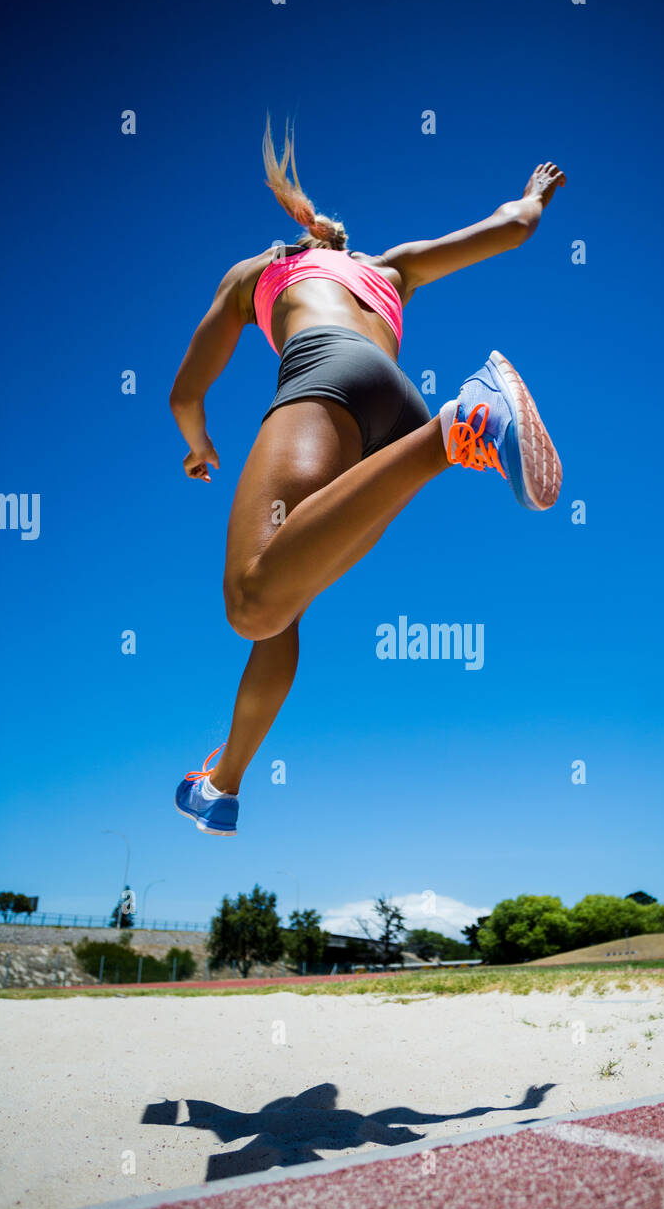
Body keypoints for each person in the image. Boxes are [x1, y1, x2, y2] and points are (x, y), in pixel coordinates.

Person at [172, 118, 565, 835]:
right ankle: (222, 785)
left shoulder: (259, 271)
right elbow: (513, 228)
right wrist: (533, 195)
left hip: (326, 376)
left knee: (251, 602)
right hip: (392, 404)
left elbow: (185, 393)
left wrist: (197, 446)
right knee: (282, 607)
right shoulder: (390, 269)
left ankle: (455, 431)